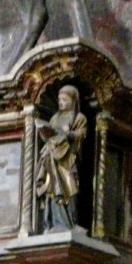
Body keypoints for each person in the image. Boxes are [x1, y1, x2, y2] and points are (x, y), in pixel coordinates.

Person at [35, 85, 87, 231]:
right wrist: (43, 132)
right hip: (52, 158)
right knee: (52, 190)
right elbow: (49, 135)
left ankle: (70, 222)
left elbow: (81, 134)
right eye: (59, 100)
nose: (61, 102)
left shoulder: (78, 117)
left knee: (70, 188)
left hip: (67, 159)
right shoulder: (54, 117)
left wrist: (69, 134)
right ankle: (53, 222)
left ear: (73, 101)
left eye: (64, 100)